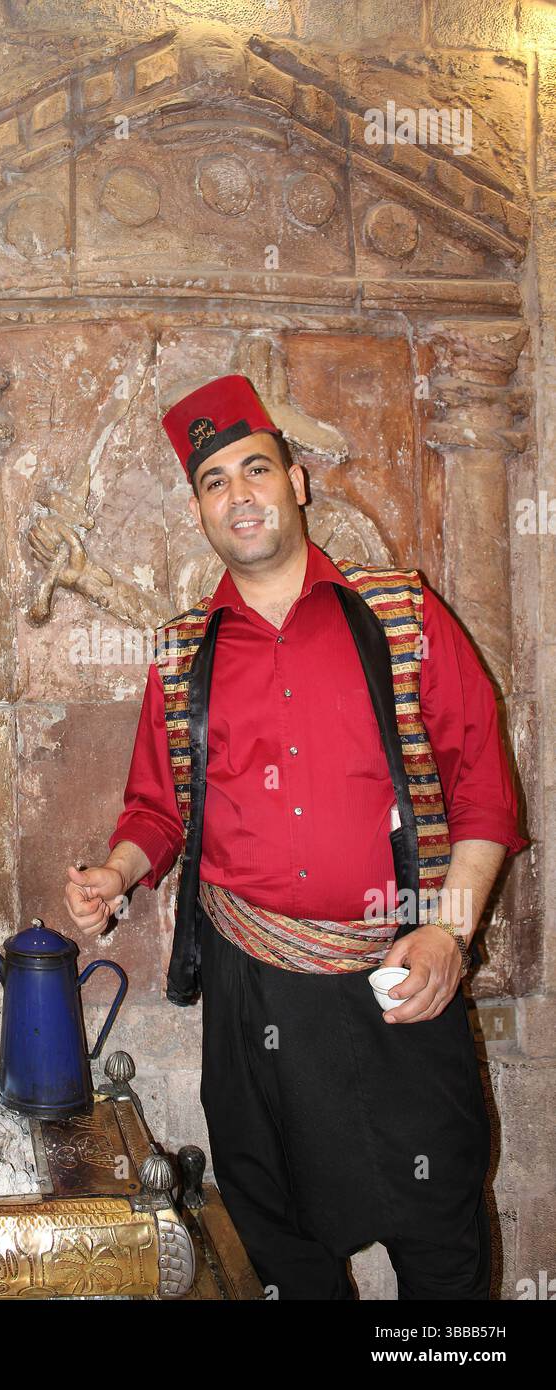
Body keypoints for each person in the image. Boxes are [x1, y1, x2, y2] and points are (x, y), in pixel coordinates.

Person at [62, 373, 528, 1300]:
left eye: (256, 470)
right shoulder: (182, 651)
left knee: (439, 1238)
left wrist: (450, 932)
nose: (240, 495)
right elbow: (159, 808)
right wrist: (117, 874)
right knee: (277, 1228)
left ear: (297, 482)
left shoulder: (401, 616)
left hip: (396, 977)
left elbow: (485, 792)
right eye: (215, 482)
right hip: (250, 991)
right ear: (200, 508)